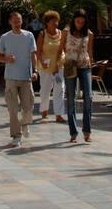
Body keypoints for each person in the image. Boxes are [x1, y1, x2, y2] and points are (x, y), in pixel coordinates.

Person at [0, 11, 37, 147]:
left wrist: (35, 71)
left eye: (19, 21)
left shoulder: (29, 36)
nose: (17, 24)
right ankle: (16, 135)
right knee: (12, 109)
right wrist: (7, 59)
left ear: (22, 21)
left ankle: (25, 123)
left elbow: (33, 55)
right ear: (10, 22)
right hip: (11, 77)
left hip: (26, 77)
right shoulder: (5, 38)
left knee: (29, 106)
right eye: (15, 21)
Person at [60, 10, 95, 144]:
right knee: (71, 98)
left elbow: (90, 51)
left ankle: (87, 131)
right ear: (73, 20)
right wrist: (62, 61)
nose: (80, 24)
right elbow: (61, 47)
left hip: (85, 66)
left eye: (82, 21)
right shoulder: (66, 32)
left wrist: (90, 67)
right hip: (70, 65)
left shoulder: (89, 34)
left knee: (88, 97)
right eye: (78, 21)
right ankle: (73, 132)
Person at [35, 10, 65, 122]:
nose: (55, 23)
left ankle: (59, 114)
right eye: (53, 21)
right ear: (47, 22)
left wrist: (58, 64)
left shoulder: (61, 34)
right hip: (46, 67)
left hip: (59, 66)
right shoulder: (42, 34)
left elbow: (63, 50)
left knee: (60, 89)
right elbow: (38, 50)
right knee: (45, 89)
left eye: (56, 21)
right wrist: (41, 62)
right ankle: (44, 111)